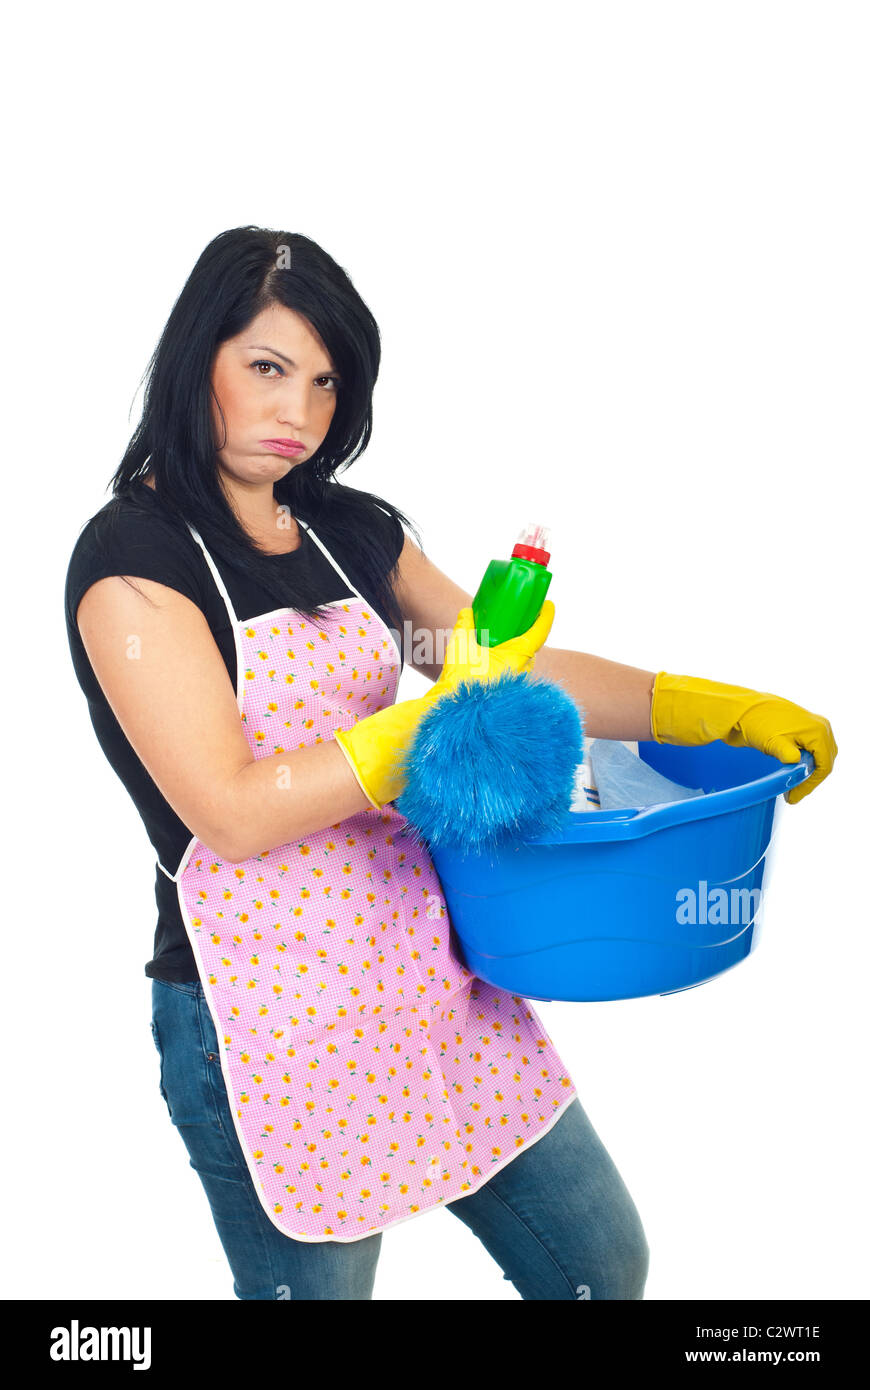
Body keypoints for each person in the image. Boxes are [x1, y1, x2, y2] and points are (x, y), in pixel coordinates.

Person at [65, 226, 836, 1301]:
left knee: (600, 1265)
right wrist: (409, 738)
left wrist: (696, 707)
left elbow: (494, 664)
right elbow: (232, 813)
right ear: (201, 357)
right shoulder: (133, 565)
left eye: (327, 382)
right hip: (264, 1013)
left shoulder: (350, 532)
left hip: (424, 967)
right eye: (269, 368)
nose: (300, 412)